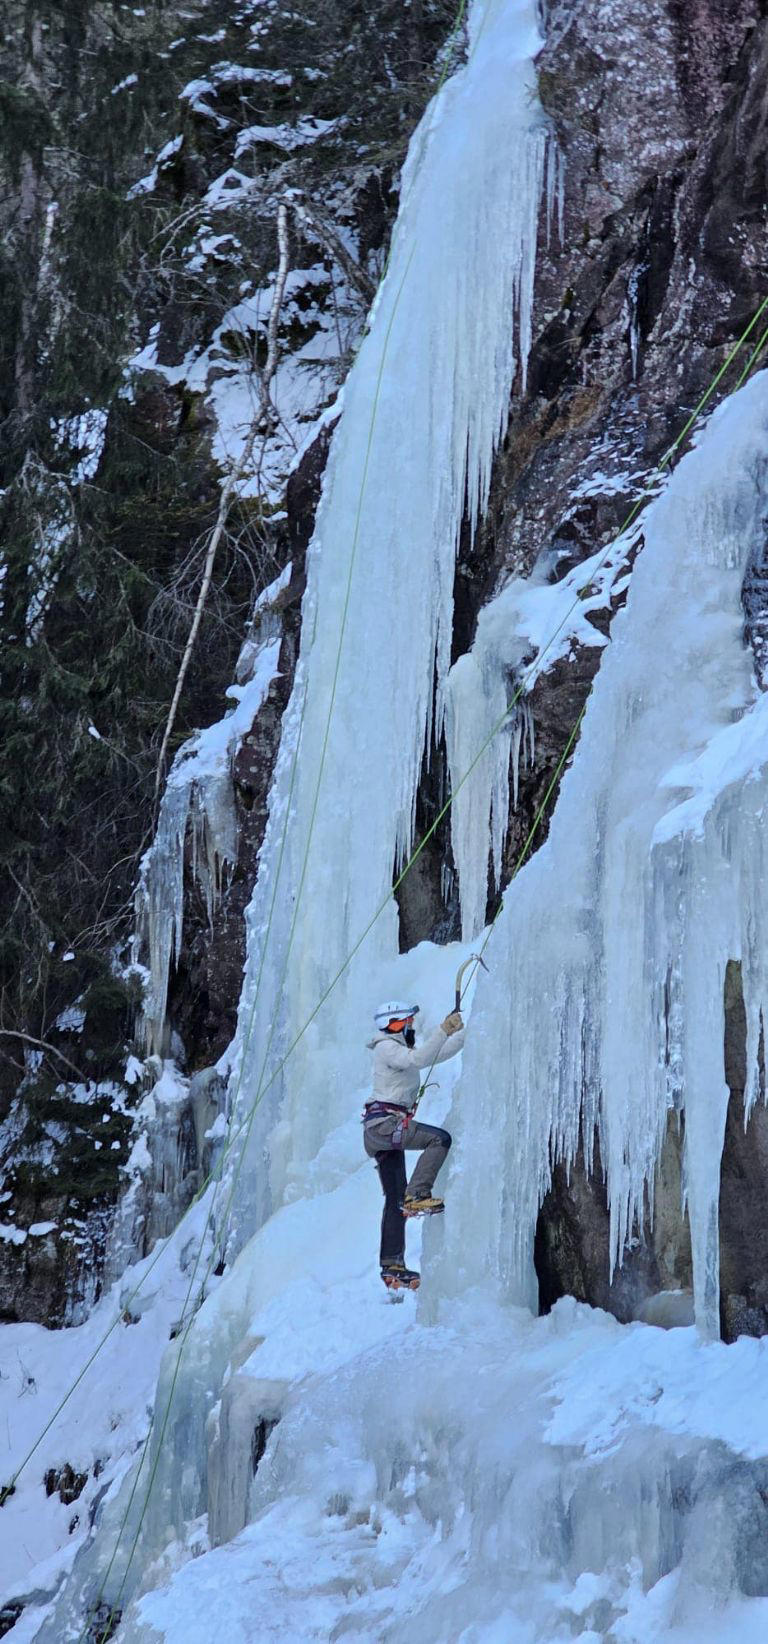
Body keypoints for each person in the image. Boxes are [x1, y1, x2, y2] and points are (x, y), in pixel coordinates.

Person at [363, 999, 465, 1290]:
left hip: (380, 1131)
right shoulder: (386, 1047)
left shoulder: (397, 1049)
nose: (410, 1027)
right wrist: (443, 1029)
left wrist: (462, 1034)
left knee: (396, 1200)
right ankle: (419, 1192)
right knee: (439, 1139)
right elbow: (419, 1059)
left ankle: (391, 1264)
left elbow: (434, 1055)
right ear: (395, 1023)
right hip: (385, 1126)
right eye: (408, 1022)